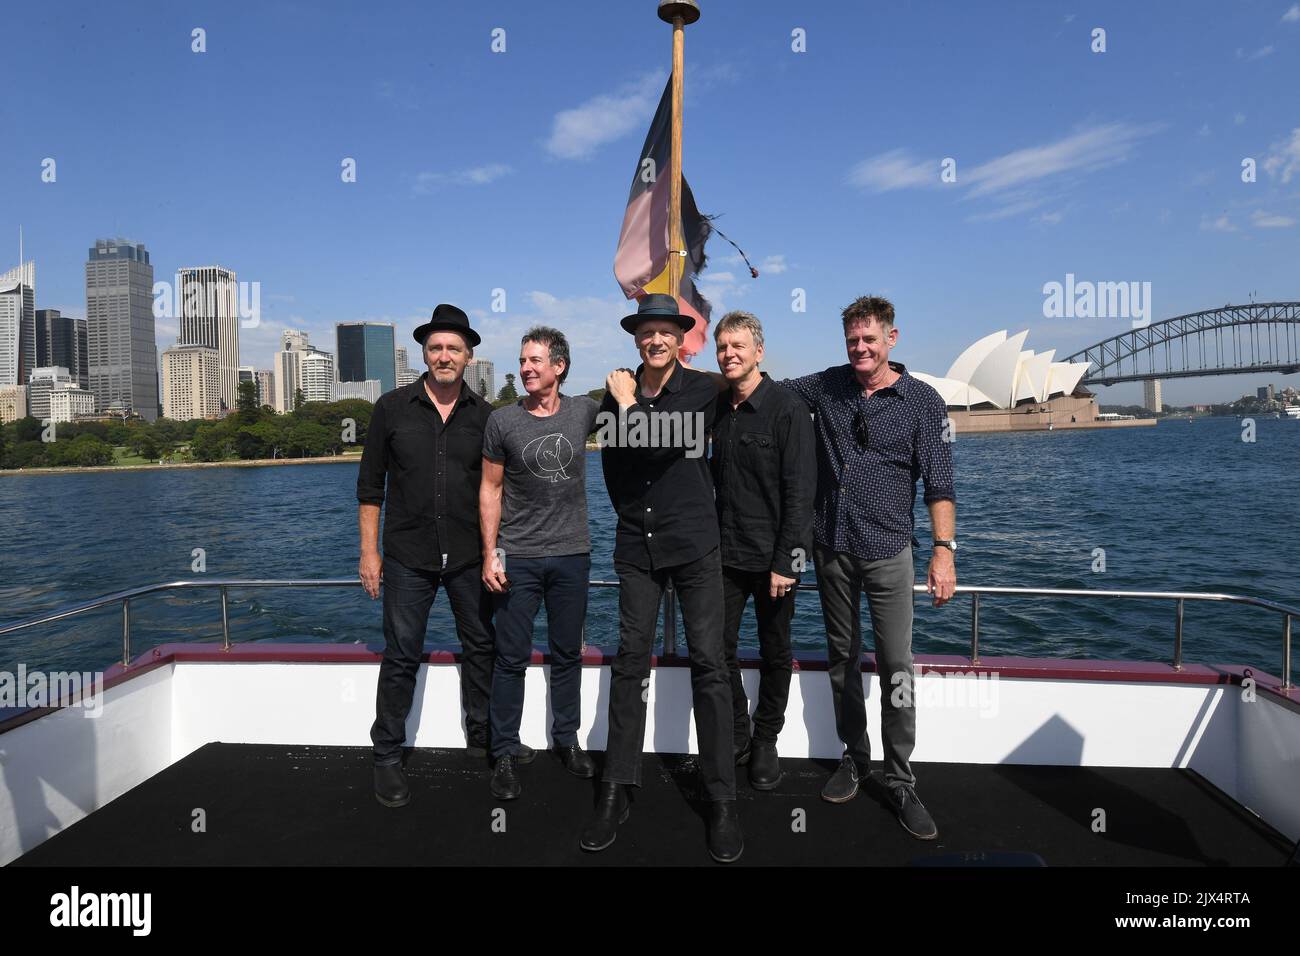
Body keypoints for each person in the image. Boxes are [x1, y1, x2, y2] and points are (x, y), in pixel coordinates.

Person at [779, 295, 956, 840]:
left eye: (869, 340)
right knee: (842, 658)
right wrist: (688, 366)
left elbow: (940, 482)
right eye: (852, 340)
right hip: (830, 547)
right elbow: (763, 389)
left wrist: (944, 548)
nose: (860, 348)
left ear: (892, 339)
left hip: (889, 551)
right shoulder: (828, 385)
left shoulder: (923, 401)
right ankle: (853, 757)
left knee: (897, 665)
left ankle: (900, 778)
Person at [579, 293, 743, 863]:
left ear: (680, 339)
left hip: (695, 543)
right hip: (636, 544)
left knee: (710, 666)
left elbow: (665, 443)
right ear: (637, 339)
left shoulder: (700, 390)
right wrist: (624, 412)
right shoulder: (614, 396)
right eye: (646, 332)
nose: (655, 341)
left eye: (665, 332)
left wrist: (628, 408)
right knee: (630, 665)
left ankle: (721, 797)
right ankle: (616, 788)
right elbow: (617, 469)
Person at [358, 303, 517, 809]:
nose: (444, 356)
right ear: (424, 355)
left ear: (468, 356)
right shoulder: (391, 408)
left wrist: (500, 556)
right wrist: (369, 553)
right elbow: (370, 488)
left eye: (453, 348)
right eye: (435, 348)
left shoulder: (488, 417)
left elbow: (501, 493)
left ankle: (482, 736)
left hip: (472, 556)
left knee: (482, 648)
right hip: (406, 556)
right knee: (401, 655)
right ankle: (386, 754)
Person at [480, 326, 600, 800]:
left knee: (568, 654)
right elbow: (489, 489)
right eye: (523, 360)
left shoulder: (585, 411)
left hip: (573, 554)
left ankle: (566, 740)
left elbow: (642, 413)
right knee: (510, 658)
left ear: (559, 366)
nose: (526, 368)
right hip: (519, 557)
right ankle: (505, 751)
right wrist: (491, 552)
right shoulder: (502, 420)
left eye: (535, 361)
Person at [710, 311, 814, 789]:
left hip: (775, 563)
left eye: (737, 346)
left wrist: (787, 562)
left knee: (776, 651)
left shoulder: (787, 409)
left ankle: (767, 738)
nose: (729, 354)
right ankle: (738, 731)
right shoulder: (716, 410)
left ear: (759, 351)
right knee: (716, 649)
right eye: (722, 347)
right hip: (725, 557)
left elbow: (800, 492)